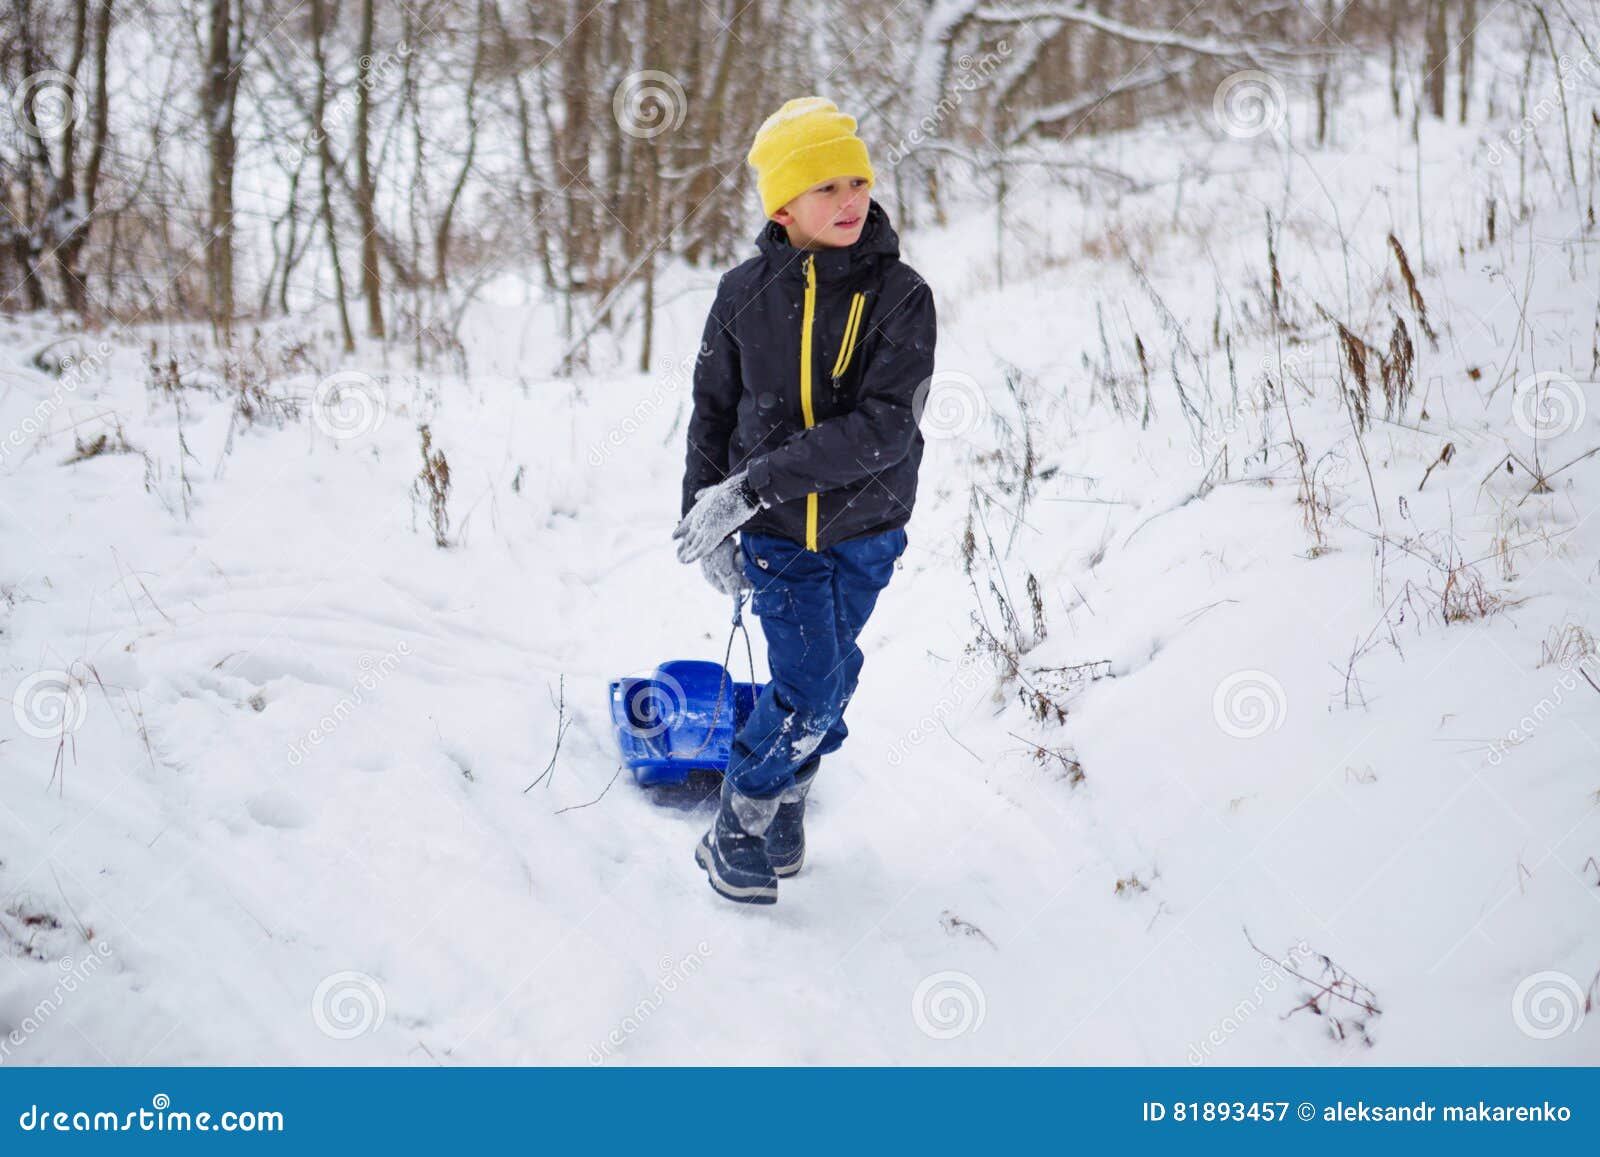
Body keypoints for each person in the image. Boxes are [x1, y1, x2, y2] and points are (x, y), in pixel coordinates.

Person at [672, 95, 937, 905]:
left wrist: (747, 487)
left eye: (857, 179)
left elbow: (885, 429)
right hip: (780, 535)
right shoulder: (742, 293)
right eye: (827, 186)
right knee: (814, 685)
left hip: (868, 530)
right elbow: (712, 409)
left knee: (830, 682)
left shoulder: (902, 295)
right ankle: (739, 821)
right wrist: (703, 514)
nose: (852, 198)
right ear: (784, 205)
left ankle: (787, 791)